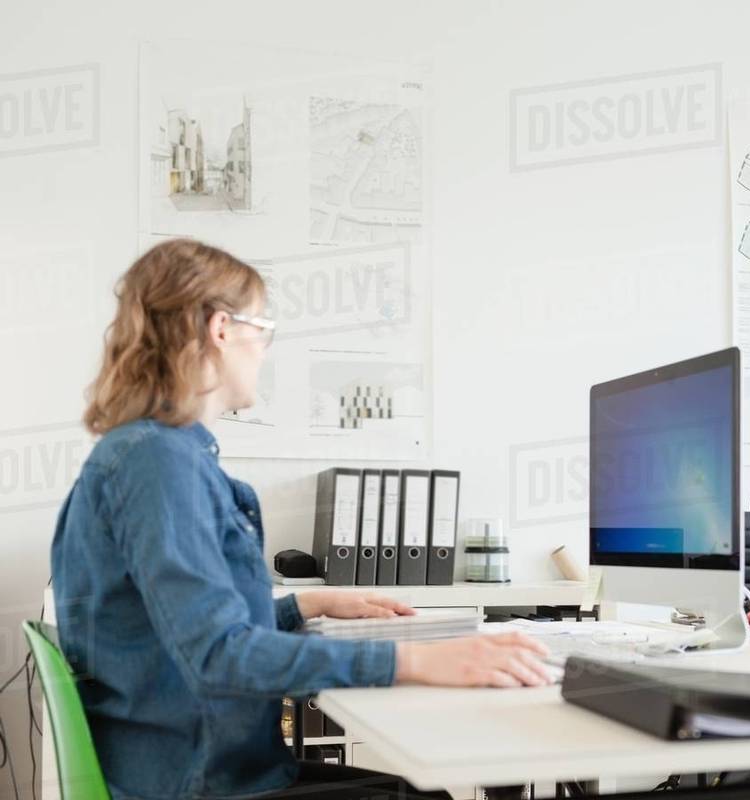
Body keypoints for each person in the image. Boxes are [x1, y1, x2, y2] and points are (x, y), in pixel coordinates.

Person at [51, 239, 553, 800]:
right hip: (205, 782)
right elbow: (217, 655)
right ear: (221, 328)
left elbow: (172, 624)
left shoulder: (149, 453)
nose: (264, 350)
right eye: (261, 329)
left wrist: (304, 605)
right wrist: (418, 659)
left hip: (193, 766)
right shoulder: (158, 462)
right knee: (435, 783)